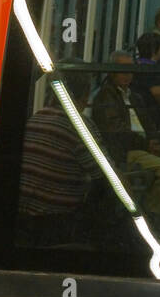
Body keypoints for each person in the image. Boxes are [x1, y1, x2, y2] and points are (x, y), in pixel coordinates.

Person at [91, 51, 160, 217]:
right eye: (123, 70)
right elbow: (116, 131)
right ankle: (152, 214)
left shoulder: (134, 96)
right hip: (127, 150)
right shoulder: (105, 97)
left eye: (130, 70)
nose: (128, 75)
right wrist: (147, 144)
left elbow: (149, 124)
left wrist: (155, 139)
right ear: (112, 72)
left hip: (145, 145)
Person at [16, 71, 105, 248]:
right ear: (85, 92)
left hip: (21, 220)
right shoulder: (79, 126)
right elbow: (105, 175)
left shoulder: (37, 117)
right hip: (55, 223)